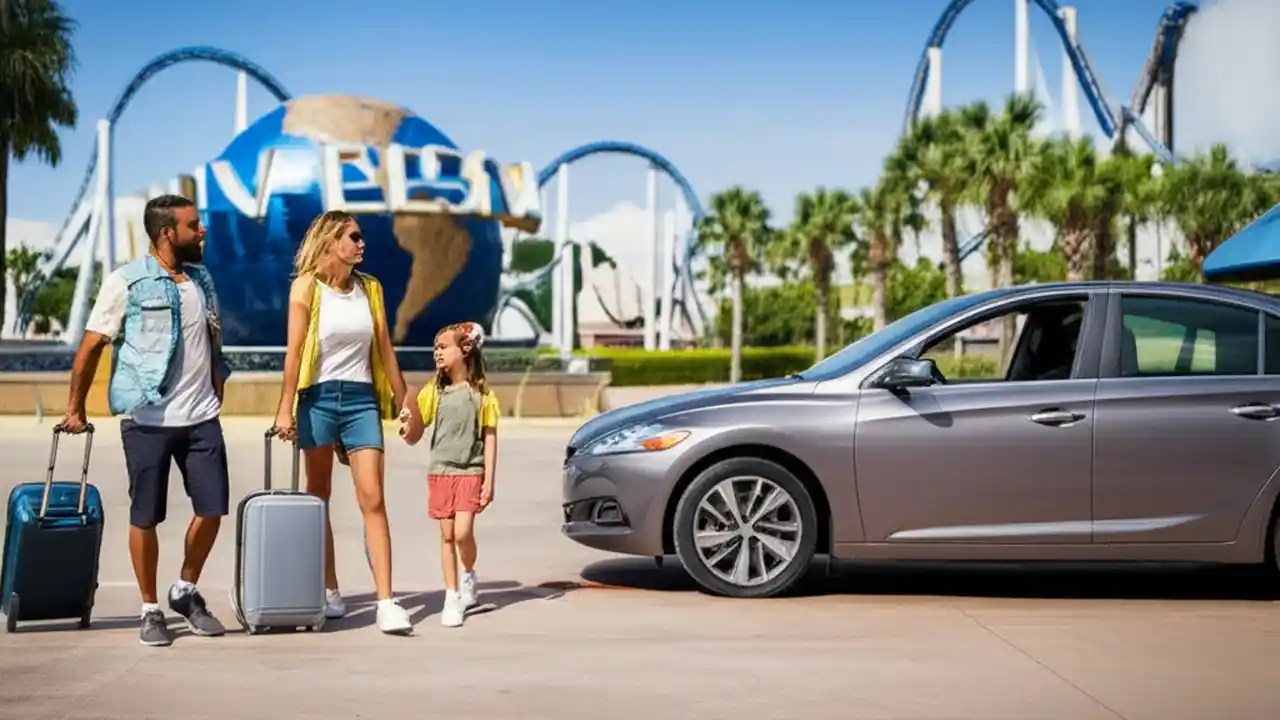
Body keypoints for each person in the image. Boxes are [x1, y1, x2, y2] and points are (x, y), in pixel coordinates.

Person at [61, 194, 232, 647]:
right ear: (166, 233)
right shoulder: (127, 283)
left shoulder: (202, 280)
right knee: (146, 515)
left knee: (213, 509)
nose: (203, 232)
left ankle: (185, 589)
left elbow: (213, 341)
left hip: (201, 419)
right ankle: (150, 608)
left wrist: (219, 384)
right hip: (147, 418)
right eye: (194, 226)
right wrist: (75, 407)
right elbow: (92, 346)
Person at [272, 209, 415, 635]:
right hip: (316, 399)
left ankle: (386, 602)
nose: (361, 242)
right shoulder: (306, 288)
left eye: (361, 236)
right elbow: (295, 352)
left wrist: (404, 401)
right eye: (354, 236)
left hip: (360, 401)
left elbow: (386, 348)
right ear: (332, 240)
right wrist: (285, 407)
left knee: (373, 499)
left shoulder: (371, 288)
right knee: (319, 499)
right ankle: (329, 589)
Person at [400, 321, 500, 628]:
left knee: (461, 533)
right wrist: (407, 417)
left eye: (443, 347)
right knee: (446, 536)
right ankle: (451, 594)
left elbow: (491, 437)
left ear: (465, 349)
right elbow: (414, 427)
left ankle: (468, 573)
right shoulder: (434, 392)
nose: (437, 353)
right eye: (435, 348)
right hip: (440, 472)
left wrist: (490, 480)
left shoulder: (482, 394)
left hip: (471, 470)